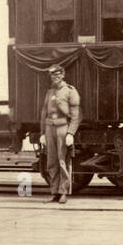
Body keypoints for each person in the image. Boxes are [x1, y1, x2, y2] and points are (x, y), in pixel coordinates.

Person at [40, 63, 81, 204]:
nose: (55, 77)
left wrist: (70, 133)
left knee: (62, 160)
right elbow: (44, 113)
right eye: (53, 75)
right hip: (49, 128)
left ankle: (63, 192)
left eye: (58, 74)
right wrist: (42, 133)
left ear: (63, 75)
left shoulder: (70, 91)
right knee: (51, 162)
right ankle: (55, 192)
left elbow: (76, 115)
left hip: (63, 128)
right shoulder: (49, 92)